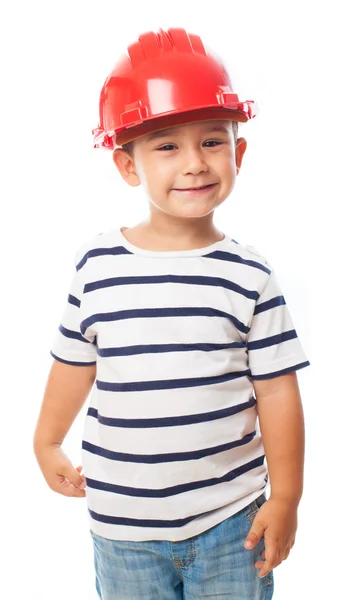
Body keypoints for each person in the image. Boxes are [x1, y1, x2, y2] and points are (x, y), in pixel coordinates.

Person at [33, 27, 310, 600]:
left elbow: (278, 393)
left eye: (212, 141)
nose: (194, 164)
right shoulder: (97, 266)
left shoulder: (250, 276)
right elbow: (73, 363)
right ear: (128, 165)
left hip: (230, 521)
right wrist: (47, 440)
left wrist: (285, 498)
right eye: (166, 145)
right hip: (123, 528)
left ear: (238, 153)